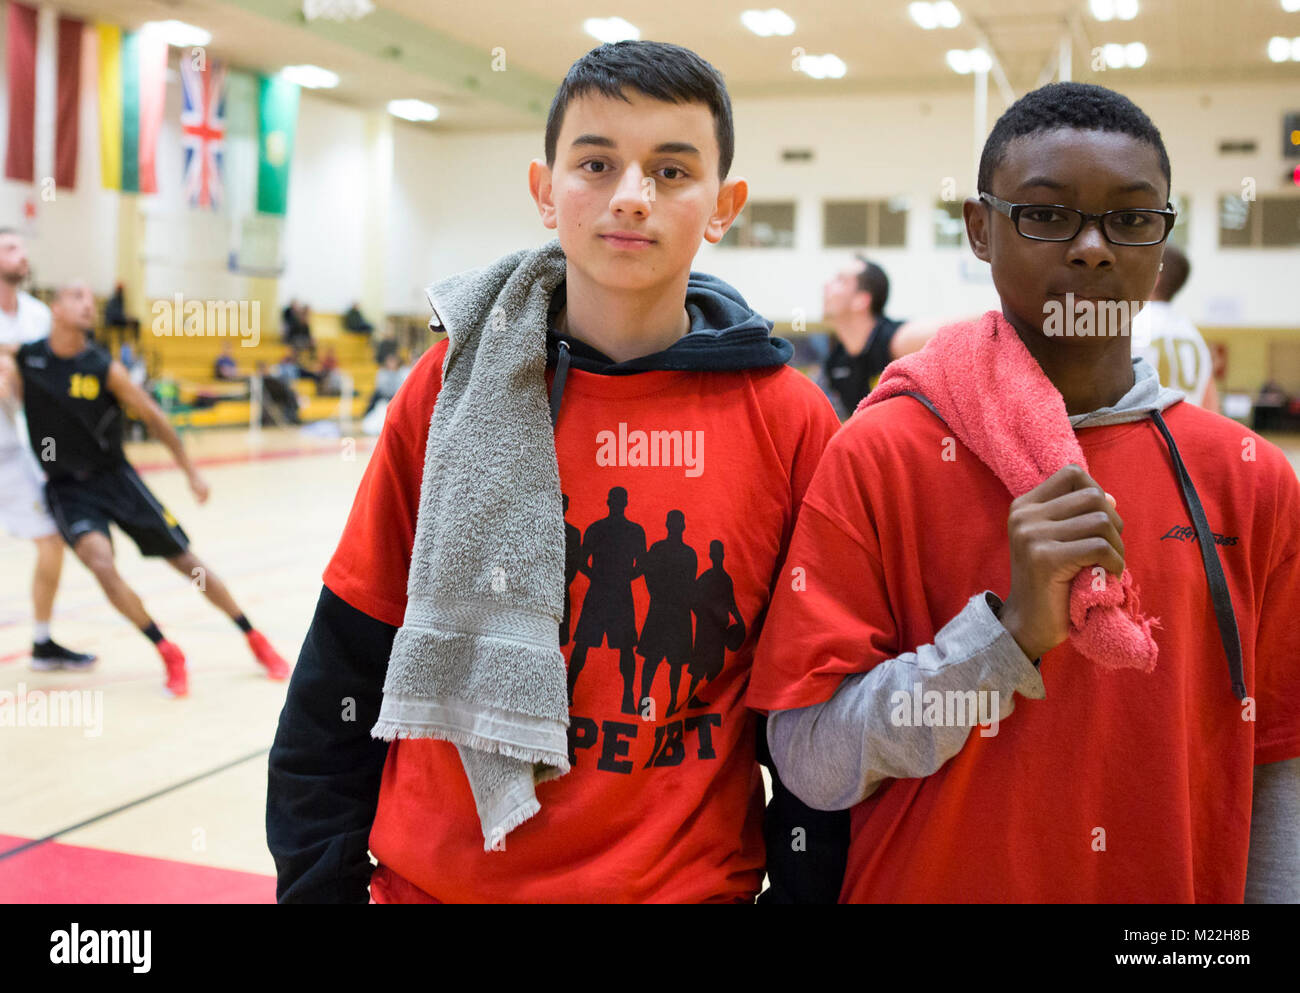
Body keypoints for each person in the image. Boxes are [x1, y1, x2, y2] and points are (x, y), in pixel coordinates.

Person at [267, 40, 842, 904]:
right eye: (597, 162)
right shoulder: (449, 388)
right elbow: (342, 670)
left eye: (672, 170)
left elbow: (807, 719)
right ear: (546, 191)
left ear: (724, 206)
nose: (631, 197)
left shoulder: (790, 418)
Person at [750, 82, 1300, 902]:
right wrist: (1004, 639)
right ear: (980, 228)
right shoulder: (880, 453)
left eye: (1131, 218)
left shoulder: (1247, 477)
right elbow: (812, 760)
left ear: (1161, 239)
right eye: (1045, 215)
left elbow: (1275, 769)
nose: (1091, 248)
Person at [0, 281, 293, 697]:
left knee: (185, 561)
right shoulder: (30, 357)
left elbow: (153, 416)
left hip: (116, 479)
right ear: (56, 311)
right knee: (101, 563)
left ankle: (254, 637)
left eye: (90, 297)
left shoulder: (103, 367)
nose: (88, 304)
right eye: (77, 297)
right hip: (68, 489)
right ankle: (167, 649)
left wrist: (190, 470)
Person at [0, 228, 95, 669]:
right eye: (10, 248)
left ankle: (41, 642)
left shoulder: (39, 315)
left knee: (52, 541)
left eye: (21, 247)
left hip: (17, 455)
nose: (21, 255)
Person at [817, 256, 949, 418]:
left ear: (861, 301)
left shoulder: (899, 341)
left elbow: (965, 328)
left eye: (840, 281)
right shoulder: (835, 361)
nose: (826, 286)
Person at [1130, 243, 1218, 410]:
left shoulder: (1132, 322)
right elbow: (1211, 403)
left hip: (1147, 427)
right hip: (1187, 429)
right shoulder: (1192, 333)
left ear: (1155, 278)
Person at [363, 352, 408, 416]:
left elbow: (401, 387)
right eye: (390, 361)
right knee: (375, 396)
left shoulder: (401, 372)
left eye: (393, 361)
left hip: (396, 396)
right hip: (384, 396)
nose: (392, 364)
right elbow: (381, 387)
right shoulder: (382, 372)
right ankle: (367, 414)